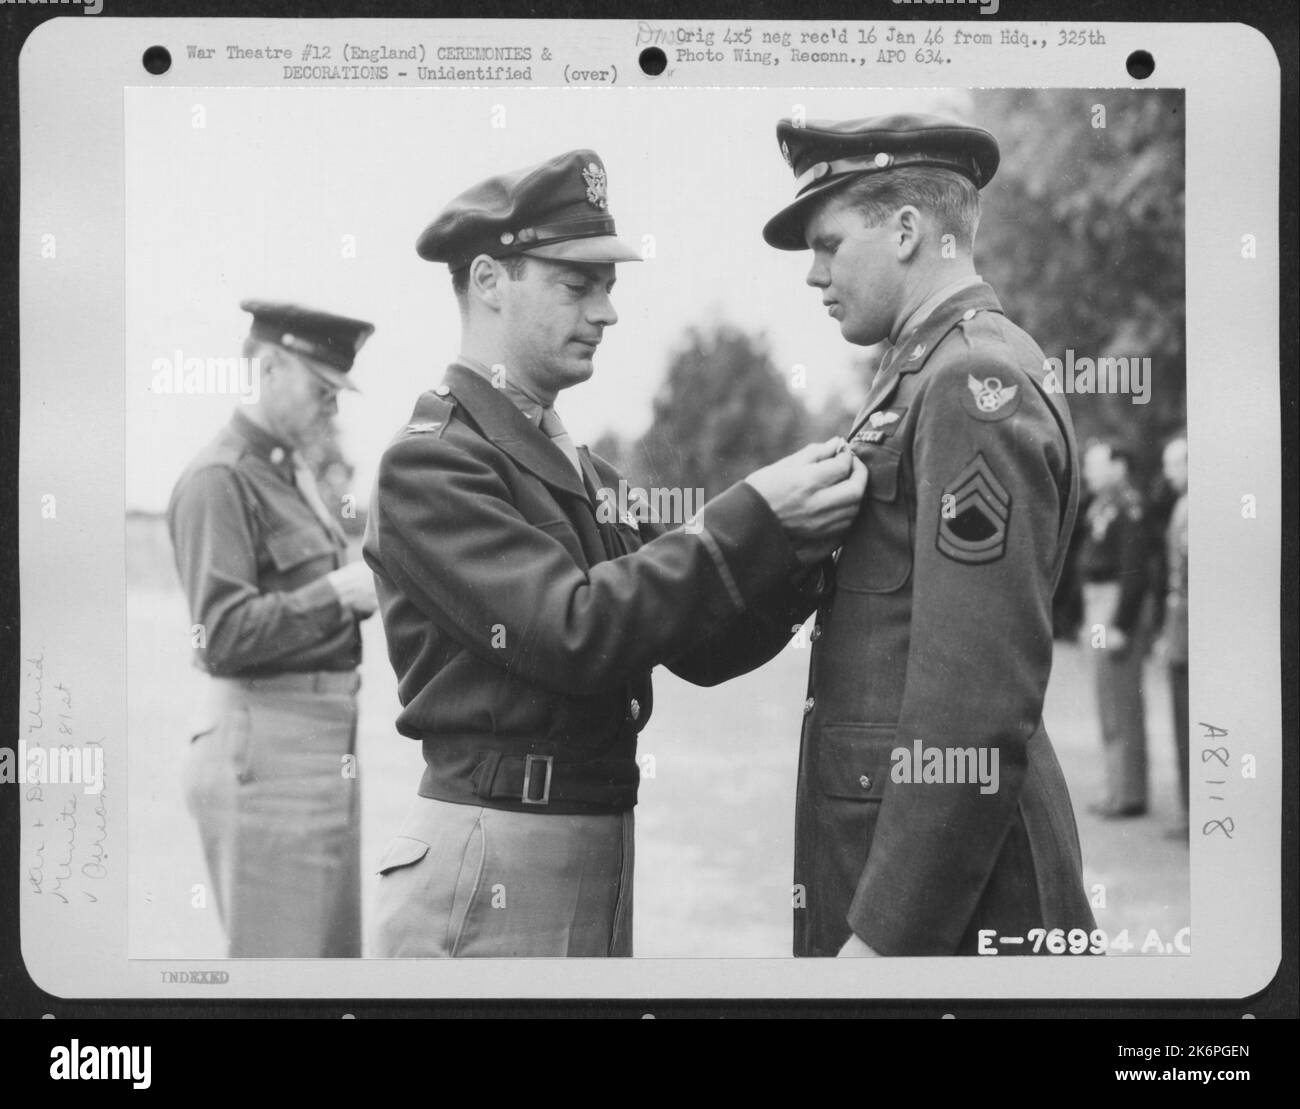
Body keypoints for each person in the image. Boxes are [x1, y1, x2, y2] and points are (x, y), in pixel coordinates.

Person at [363, 149, 866, 957]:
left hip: (581, 838)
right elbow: (575, 630)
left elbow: (696, 641)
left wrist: (805, 544)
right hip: (495, 848)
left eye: (609, 287)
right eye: (577, 285)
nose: (605, 312)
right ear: (489, 278)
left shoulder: (576, 467)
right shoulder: (433, 462)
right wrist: (757, 516)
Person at [761, 112, 1097, 956]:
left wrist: (888, 939)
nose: (814, 274)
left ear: (907, 231)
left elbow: (974, 696)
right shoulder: (924, 369)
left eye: (829, 243)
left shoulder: (971, 378)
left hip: (965, 908)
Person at [168, 301, 378, 957]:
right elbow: (221, 635)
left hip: (317, 747)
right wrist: (336, 593)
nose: (332, 407)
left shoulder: (289, 471)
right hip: (266, 755)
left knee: (328, 973)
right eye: (322, 389)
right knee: (279, 978)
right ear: (268, 365)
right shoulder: (219, 477)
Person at [1079, 439, 1151, 819]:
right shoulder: (1101, 505)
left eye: (1095, 465)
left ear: (1116, 467)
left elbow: (1133, 569)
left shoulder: (1127, 506)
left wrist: (1121, 623)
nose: (1088, 473)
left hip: (1113, 607)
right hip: (1097, 606)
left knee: (1121, 700)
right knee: (1105, 698)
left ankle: (1129, 794)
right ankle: (1114, 787)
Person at [1159, 434, 1189, 838]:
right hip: (1180, 621)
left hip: (1188, 625)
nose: (1168, 474)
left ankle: (1196, 815)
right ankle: (1190, 812)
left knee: (1189, 719)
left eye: (1174, 464)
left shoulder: (1192, 507)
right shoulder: (1182, 505)